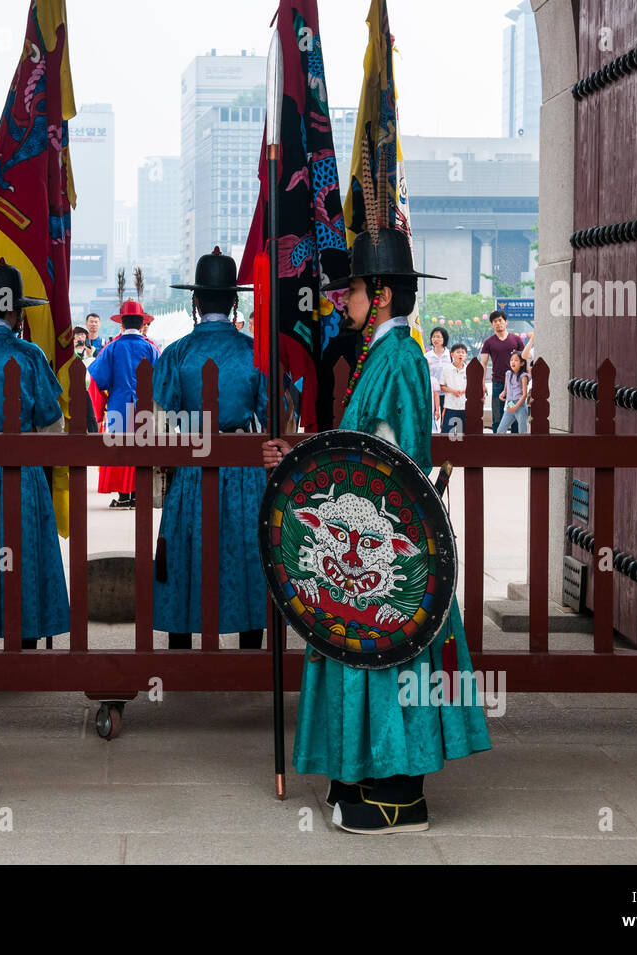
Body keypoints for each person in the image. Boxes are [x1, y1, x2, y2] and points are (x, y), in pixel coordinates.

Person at [262, 227, 490, 834]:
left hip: (385, 543)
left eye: (355, 288)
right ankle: (363, 775)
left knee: (391, 658)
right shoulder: (387, 354)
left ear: (382, 294)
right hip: (365, 532)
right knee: (370, 660)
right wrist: (301, 459)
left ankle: (399, 797)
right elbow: (358, 451)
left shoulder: (398, 358)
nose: (345, 298)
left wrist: (315, 478)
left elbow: (382, 458)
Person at [157, 247, 274, 650]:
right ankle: (248, 649)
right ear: (234, 300)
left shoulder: (176, 354)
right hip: (244, 470)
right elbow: (273, 411)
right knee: (245, 554)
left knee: (188, 553)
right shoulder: (252, 353)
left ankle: (182, 651)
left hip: (193, 466)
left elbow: (163, 415)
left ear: (195, 300)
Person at [0, 259, 70, 647]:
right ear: (16, 311)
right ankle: (23, 642)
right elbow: (53, 428)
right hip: (20, 474)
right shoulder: (29, 355)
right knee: (22, 557)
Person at [90, 300, 161, 508]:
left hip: (118, 405)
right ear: (142, 324)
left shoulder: (111, 348)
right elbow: (160, 380)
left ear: (122, 323)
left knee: (120, 449)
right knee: (143, 447)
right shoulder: (151, 348)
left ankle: (123, 496)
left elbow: (98, 380)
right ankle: (139, 493)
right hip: (144, 408)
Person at [479, 310, 523, 433]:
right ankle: (497, 442)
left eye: (500, 320)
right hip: (498, 382)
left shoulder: (516, 340)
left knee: (515, 414)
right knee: (497, 415)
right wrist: (482, 384)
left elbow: (524, 360)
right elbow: (483, 363)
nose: (498, 323)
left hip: (515, 384)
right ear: (492, 324)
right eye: (495, 321)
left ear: (506, 322)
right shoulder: (488, 342)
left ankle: (516, 443)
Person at [495, 349, 531, 434]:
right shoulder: (508, 374)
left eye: (516, 360)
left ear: (522, 363)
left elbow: (525, 394)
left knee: (522, 432)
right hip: (510, 405)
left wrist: (516, 406)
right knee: (500, 431)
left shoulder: (523, 376)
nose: (513, 362)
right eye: (511, 360)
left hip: (520, 406)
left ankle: (523, 447)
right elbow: (505, 390)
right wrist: (502, 394)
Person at [438, 343, 469, 437]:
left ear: (466, 355)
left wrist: (463, 391)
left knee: (463, 434)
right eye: (458, 352)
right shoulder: (446, 369)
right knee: (448, 433)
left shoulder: (469, 369)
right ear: (452, 354)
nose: (460, 354)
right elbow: (442, 386)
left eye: (463, 352)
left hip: (465, 405)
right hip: (450, 406)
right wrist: (453, 391)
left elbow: (472, 387)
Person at [424, 326, 451, 432]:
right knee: (431, 418)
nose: (435, 339)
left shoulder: (450, 355)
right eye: (433, 337)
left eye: (439, 337)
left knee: (446, 419)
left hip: (447, 393)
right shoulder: (427, 356)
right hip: (432, 394)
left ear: (444, 339)